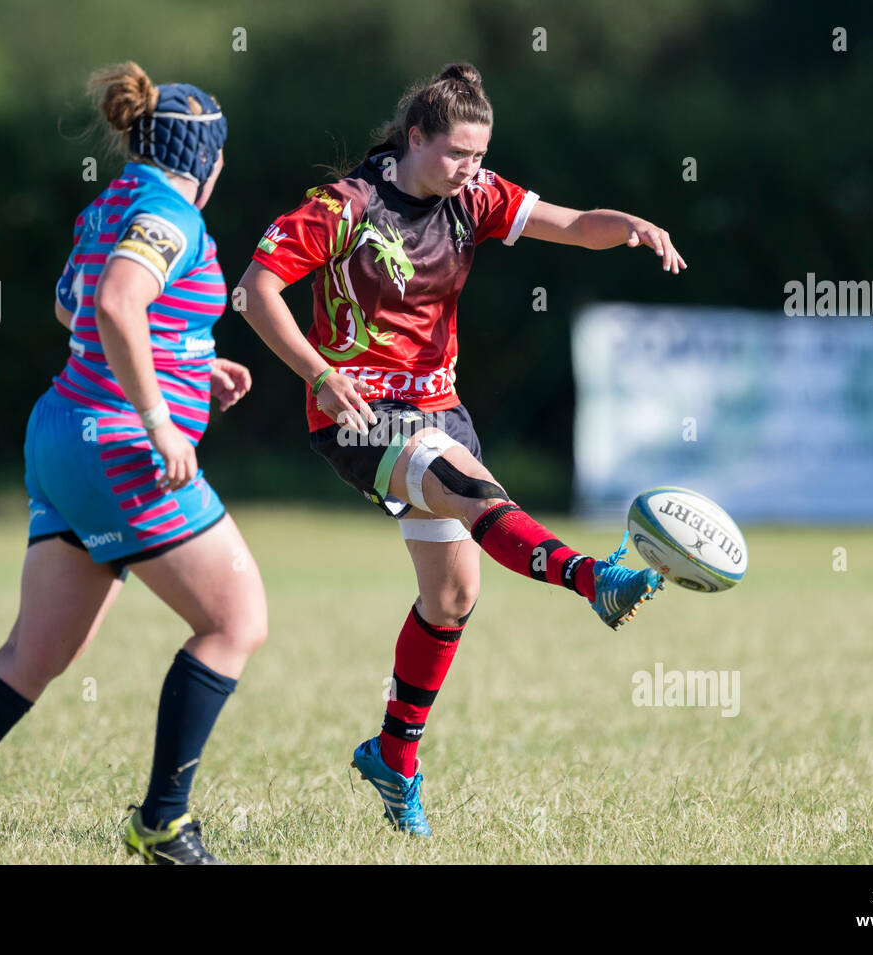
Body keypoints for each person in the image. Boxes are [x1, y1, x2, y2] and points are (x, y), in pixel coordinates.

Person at [236, 63, 685, 837]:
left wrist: (633, 227)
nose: (470, 169)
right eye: (456, 155)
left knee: (450, 597)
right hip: (358, 412)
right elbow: (253, 290)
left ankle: (393, 755)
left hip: (438, 407)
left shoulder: (473, 197)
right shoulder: (345, 208)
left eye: (479, 156)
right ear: (415, 138)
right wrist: (319, 370)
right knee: (465, 484)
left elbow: (576, 226)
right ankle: (593, 578)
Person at [0, 62, 265, 865]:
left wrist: (194, 358)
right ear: (209, 158)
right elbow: (116, 304)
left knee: (39, 651)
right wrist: (163, 419)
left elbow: (72, 301)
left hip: (60, 432)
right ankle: (162, 822)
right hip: (116, 439)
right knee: (235, 622)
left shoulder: (113, 202)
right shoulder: (171, 211)